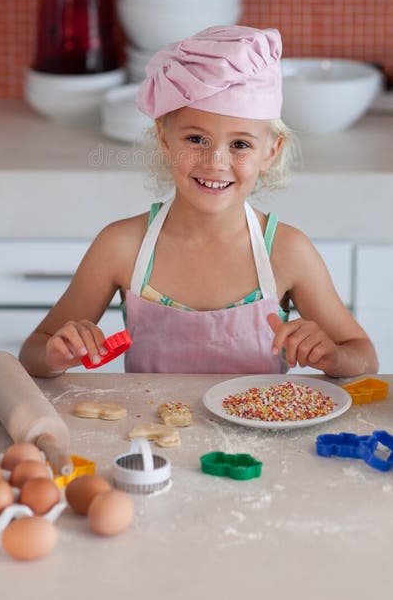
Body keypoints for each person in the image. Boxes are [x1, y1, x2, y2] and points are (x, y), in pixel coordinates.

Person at [19, 25, 378, 378]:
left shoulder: (286, 251)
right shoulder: (121, 247)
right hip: (151, 435)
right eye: (195, 139)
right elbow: (34, 352)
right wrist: (57, 354)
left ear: (271, 151)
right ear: (164, 138)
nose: (216, 163)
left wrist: (333, 358)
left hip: (261, 438)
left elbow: (362, 355)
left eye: (240, 145)